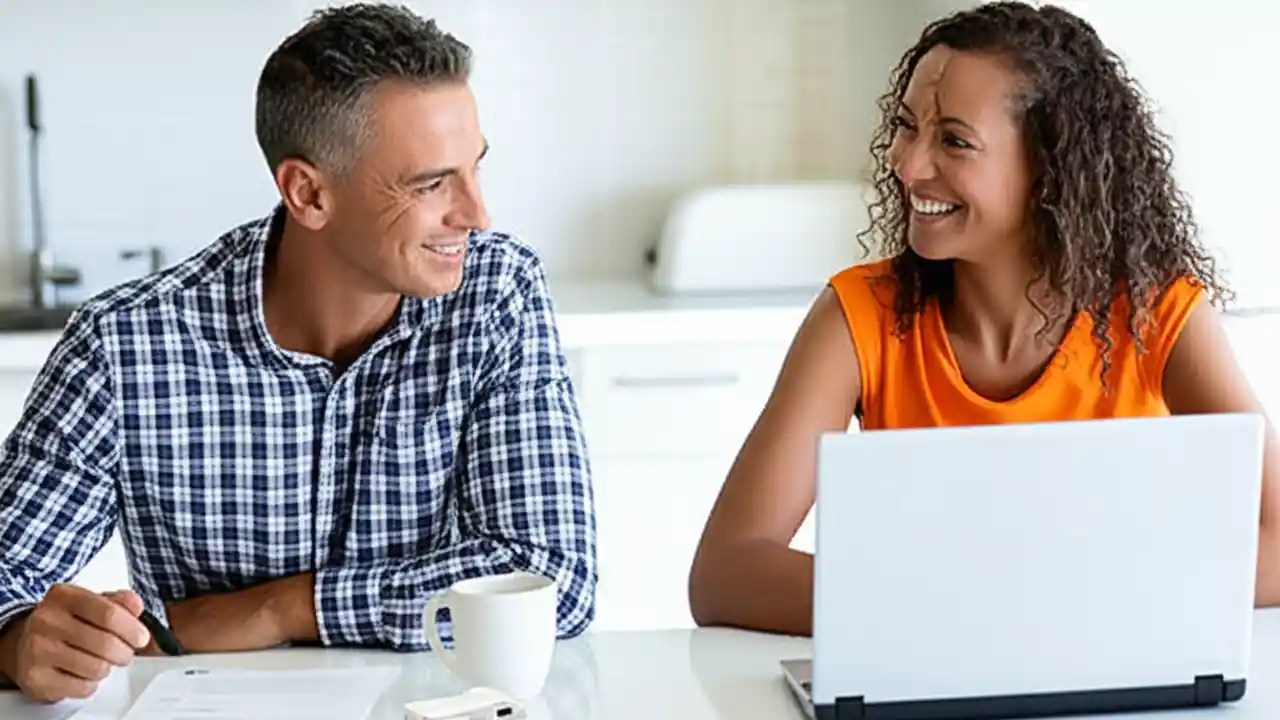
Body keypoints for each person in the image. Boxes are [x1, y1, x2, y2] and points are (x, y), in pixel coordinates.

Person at [0, 3, 596, 702]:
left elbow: (553, 580)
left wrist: (282, 607)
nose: (476, 213)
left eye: (473, 169)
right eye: (431, 184)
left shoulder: (496, 293)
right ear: (308, 193)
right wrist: (17, 643)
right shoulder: (126, 345)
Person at [688, 1, 1280, 635]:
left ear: (1050, 171)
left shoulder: (1156, 315)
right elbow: (727, 572)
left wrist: (1055, 600)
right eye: (907, 126)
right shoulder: (858, 318)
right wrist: (981, 608)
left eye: (954, 141)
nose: (906, 162)